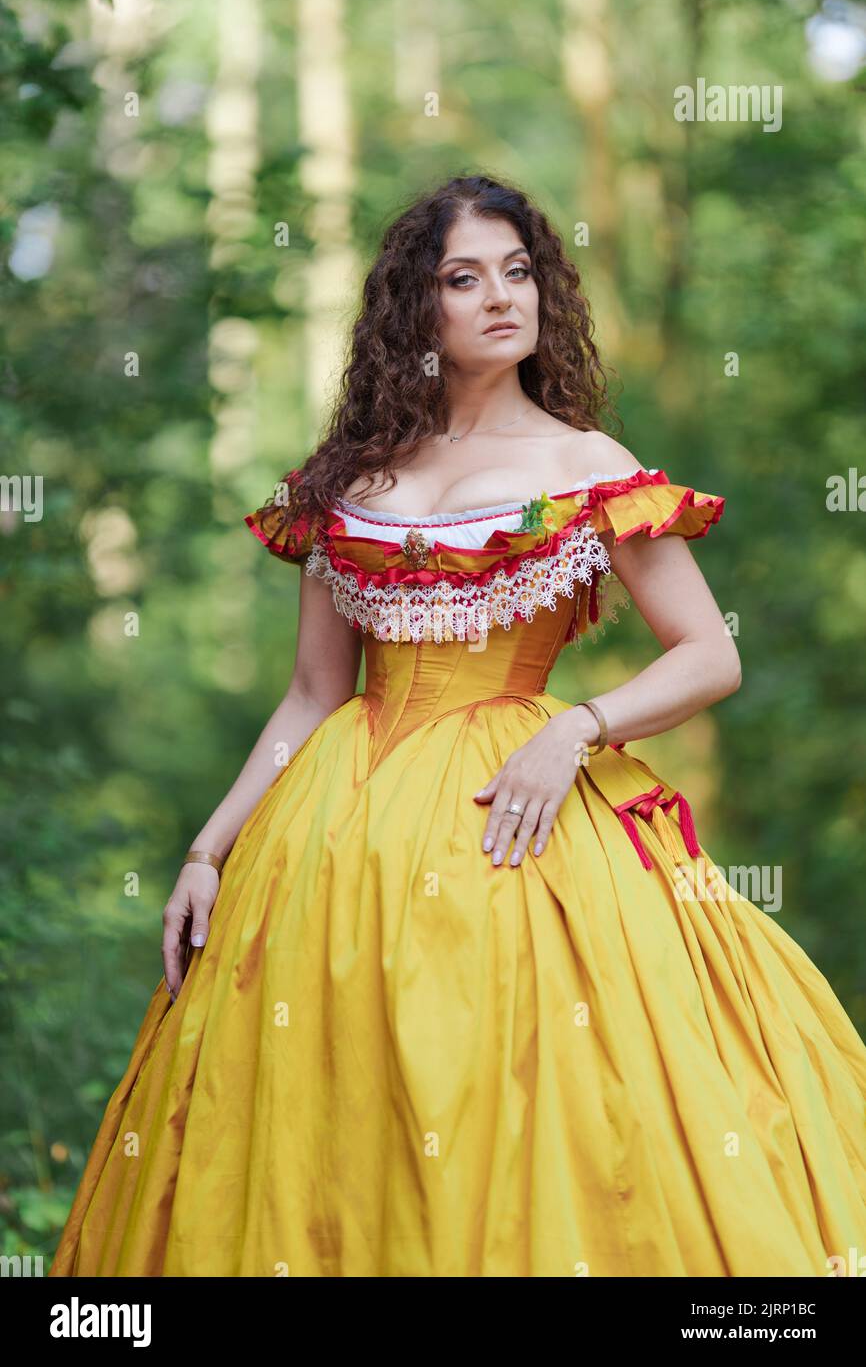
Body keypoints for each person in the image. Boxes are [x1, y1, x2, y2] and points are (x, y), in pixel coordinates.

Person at [50, 174, 866, 1278]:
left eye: (518, 271)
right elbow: (310, 695)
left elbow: (709, 654)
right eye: (462, 277)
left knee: (516, 1083)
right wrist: (209, 846)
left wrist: (575, 727)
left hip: (513, 821)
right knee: (325, 1100)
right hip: (330, 837)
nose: (499, 298)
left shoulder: (586, 468)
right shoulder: (347, 480)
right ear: (412, 312)